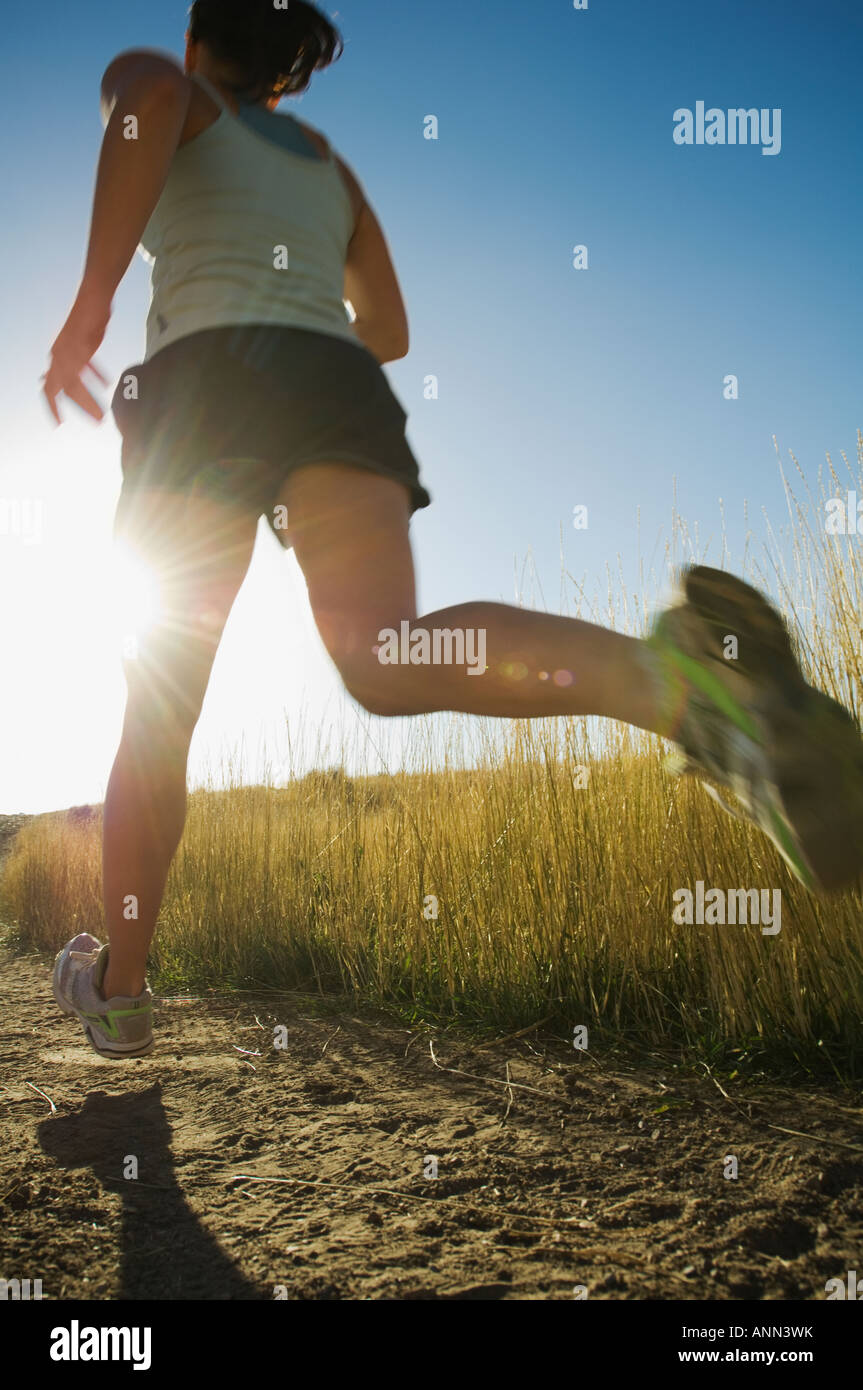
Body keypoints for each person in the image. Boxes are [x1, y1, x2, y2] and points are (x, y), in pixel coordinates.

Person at [43, 1, 863, 1059]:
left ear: (202, 40)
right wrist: (301, 335)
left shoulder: (166, 79)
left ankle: (120, 986)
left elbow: (145, 105)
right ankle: (686, 689)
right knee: (388, 654)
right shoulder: (325, 166)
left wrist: (93, 302)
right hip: (329, 382)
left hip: (202, 383)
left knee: (160, 703)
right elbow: (386, 326)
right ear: (286, 79)